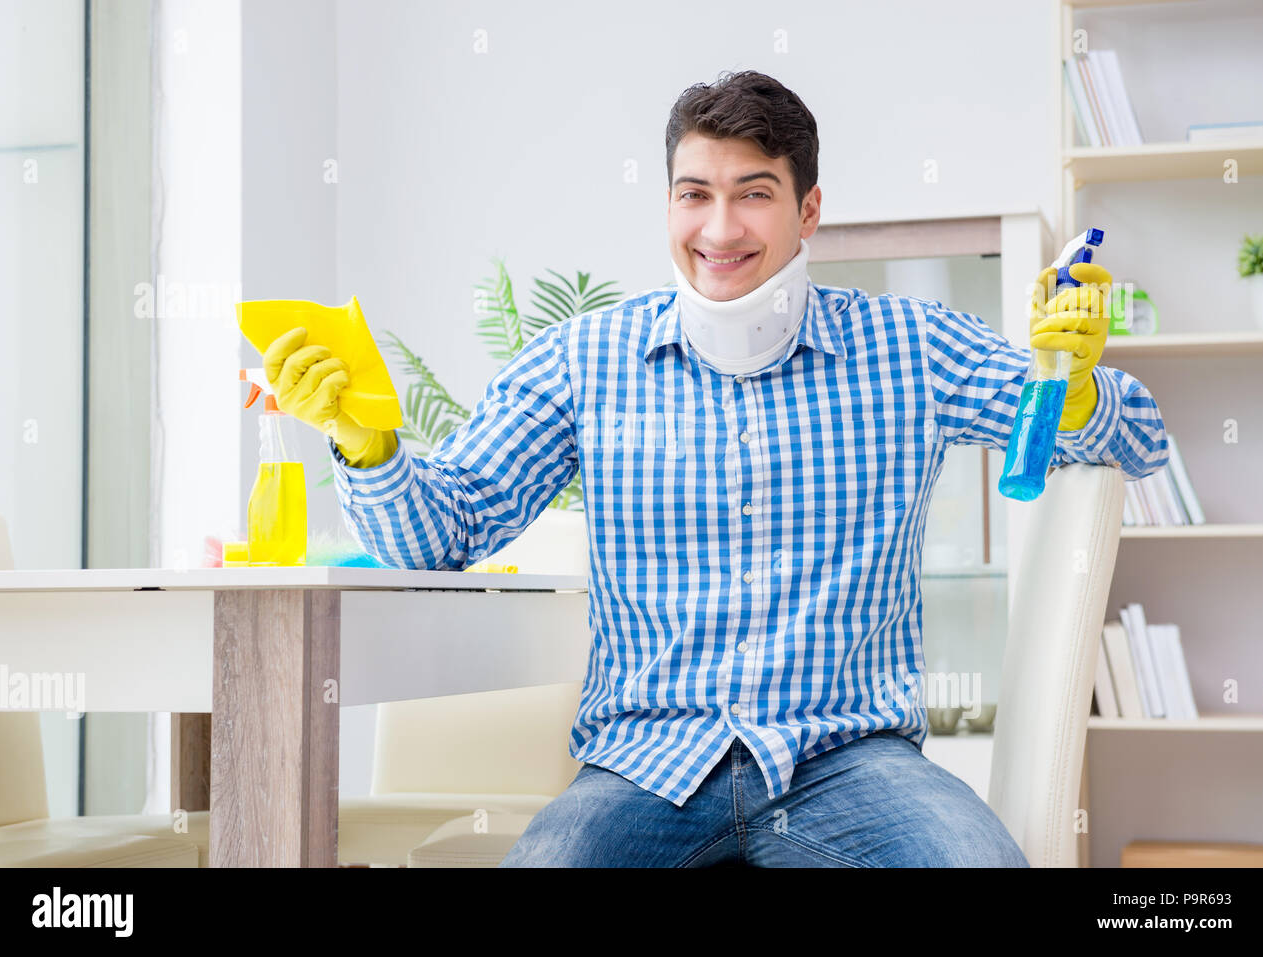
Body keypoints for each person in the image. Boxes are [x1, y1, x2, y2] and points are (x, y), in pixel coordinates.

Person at [262, 70, 1169, 867]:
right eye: (694, 194)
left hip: (851, 759)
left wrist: (1075, 384)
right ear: (667, 206)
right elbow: (441, 535)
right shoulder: (586, 358)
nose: (720, 226)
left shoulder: (909, 345)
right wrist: (366, 440)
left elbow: (1138, 437)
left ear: (809, 211)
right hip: (644, 765)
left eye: (755, 193)